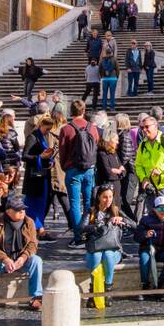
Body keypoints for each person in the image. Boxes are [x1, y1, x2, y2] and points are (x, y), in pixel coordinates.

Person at [0, 194, 44, 316]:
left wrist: (23, 258)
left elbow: (33, 244)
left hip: (22, 259)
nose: (22, 212)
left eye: (23, 209)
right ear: (8, 212)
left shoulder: (29, 222)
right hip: (4, 261)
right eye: (18, 210)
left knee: (36, 260)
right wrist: (5, 259)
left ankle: (36, 297)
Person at [59, 101, 100, 246]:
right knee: (90, 202)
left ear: (71, 111)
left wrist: (65, 167)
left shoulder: (66, 129)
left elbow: (62, 152)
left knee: (75, 204)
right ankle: (90, 232)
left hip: (73, 169)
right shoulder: (92, 128)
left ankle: (78, 236)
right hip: (89, 169)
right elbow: (96, 145)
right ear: (84, 110)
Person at [82, 187, 126, 300]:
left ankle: (108, 291)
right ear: (98, 197)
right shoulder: (91, 211)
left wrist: (121, 219)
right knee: (97, 256)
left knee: (108, 255)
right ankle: (94, 292)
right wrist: (98, 225)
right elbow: (81, 228)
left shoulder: (115, 210)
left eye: (110, 197)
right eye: (105, 197)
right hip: (95, 248)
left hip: (113, 249)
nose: (108, 200)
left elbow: (135, 224)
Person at [135, 113, 164, 216]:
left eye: (147, 127)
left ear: (155, 126)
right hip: (150, 186)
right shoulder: (143, 144)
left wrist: (160, 169)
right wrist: (144, 178)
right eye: (142, 127)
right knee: (152, 215)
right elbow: (138, 165)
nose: (144, 130)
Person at [136, 194, 164, 295]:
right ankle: (145, 284)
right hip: (148, 249)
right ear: (154, 209)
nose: (162, 211)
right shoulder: (146, 220)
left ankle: (159, 284)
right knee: (144, 258)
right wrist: (146, 234)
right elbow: (136, 237)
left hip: (163, 250)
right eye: (159, 208)